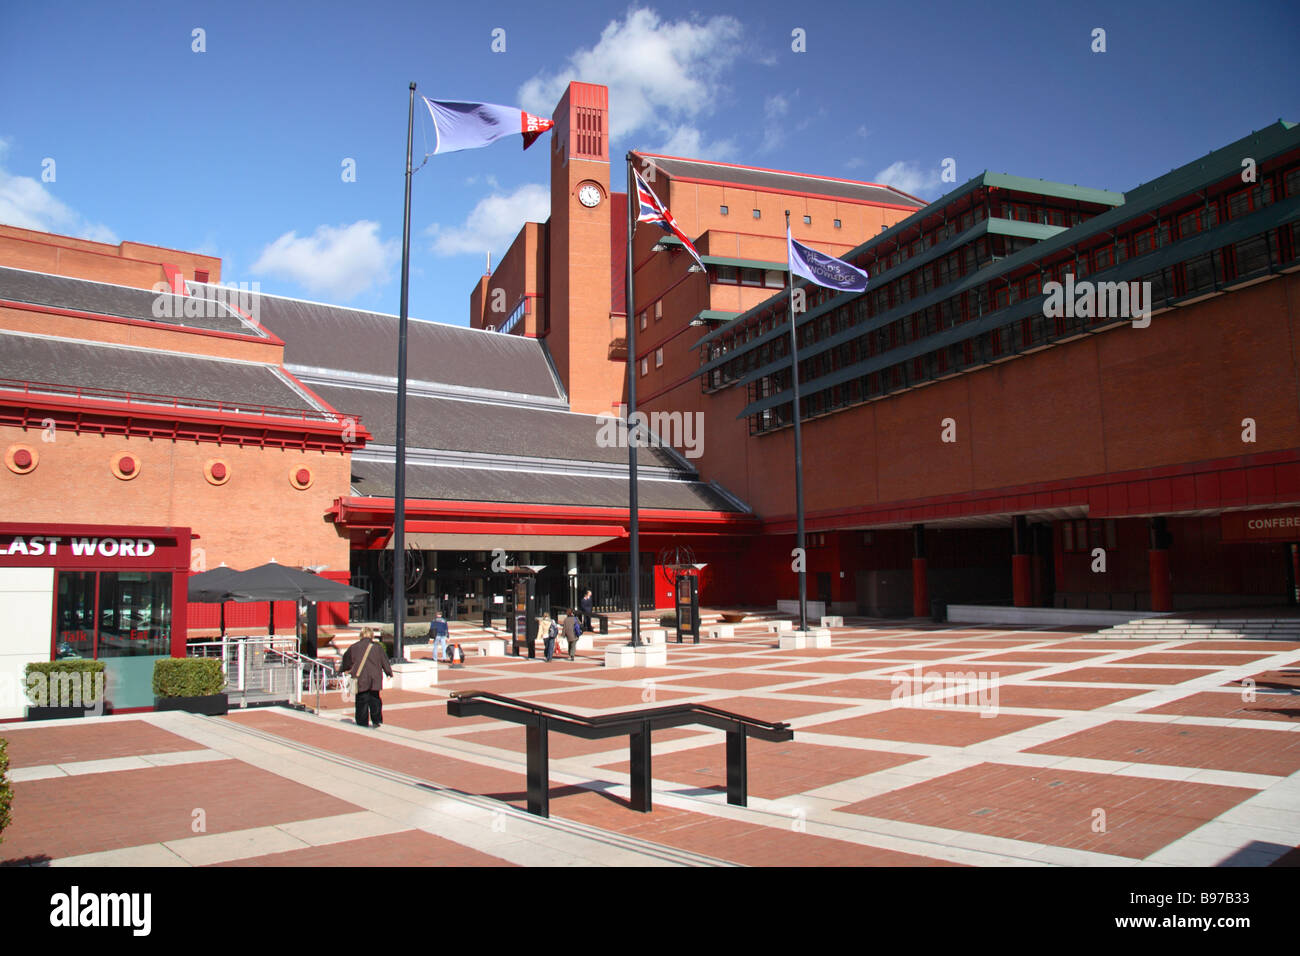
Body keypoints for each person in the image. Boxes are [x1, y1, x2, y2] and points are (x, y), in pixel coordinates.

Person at [341, 627, 392, 728]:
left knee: (361, 700)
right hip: (374, 678)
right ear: (371, 635)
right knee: (375, 699)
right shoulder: (377, 647)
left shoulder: (354, 647)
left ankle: (362, 721)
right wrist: (388, 673)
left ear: (361, 635)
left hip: (361, 677)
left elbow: (346, 660)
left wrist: (343, 669)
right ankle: (377, 720)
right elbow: (384, 660)